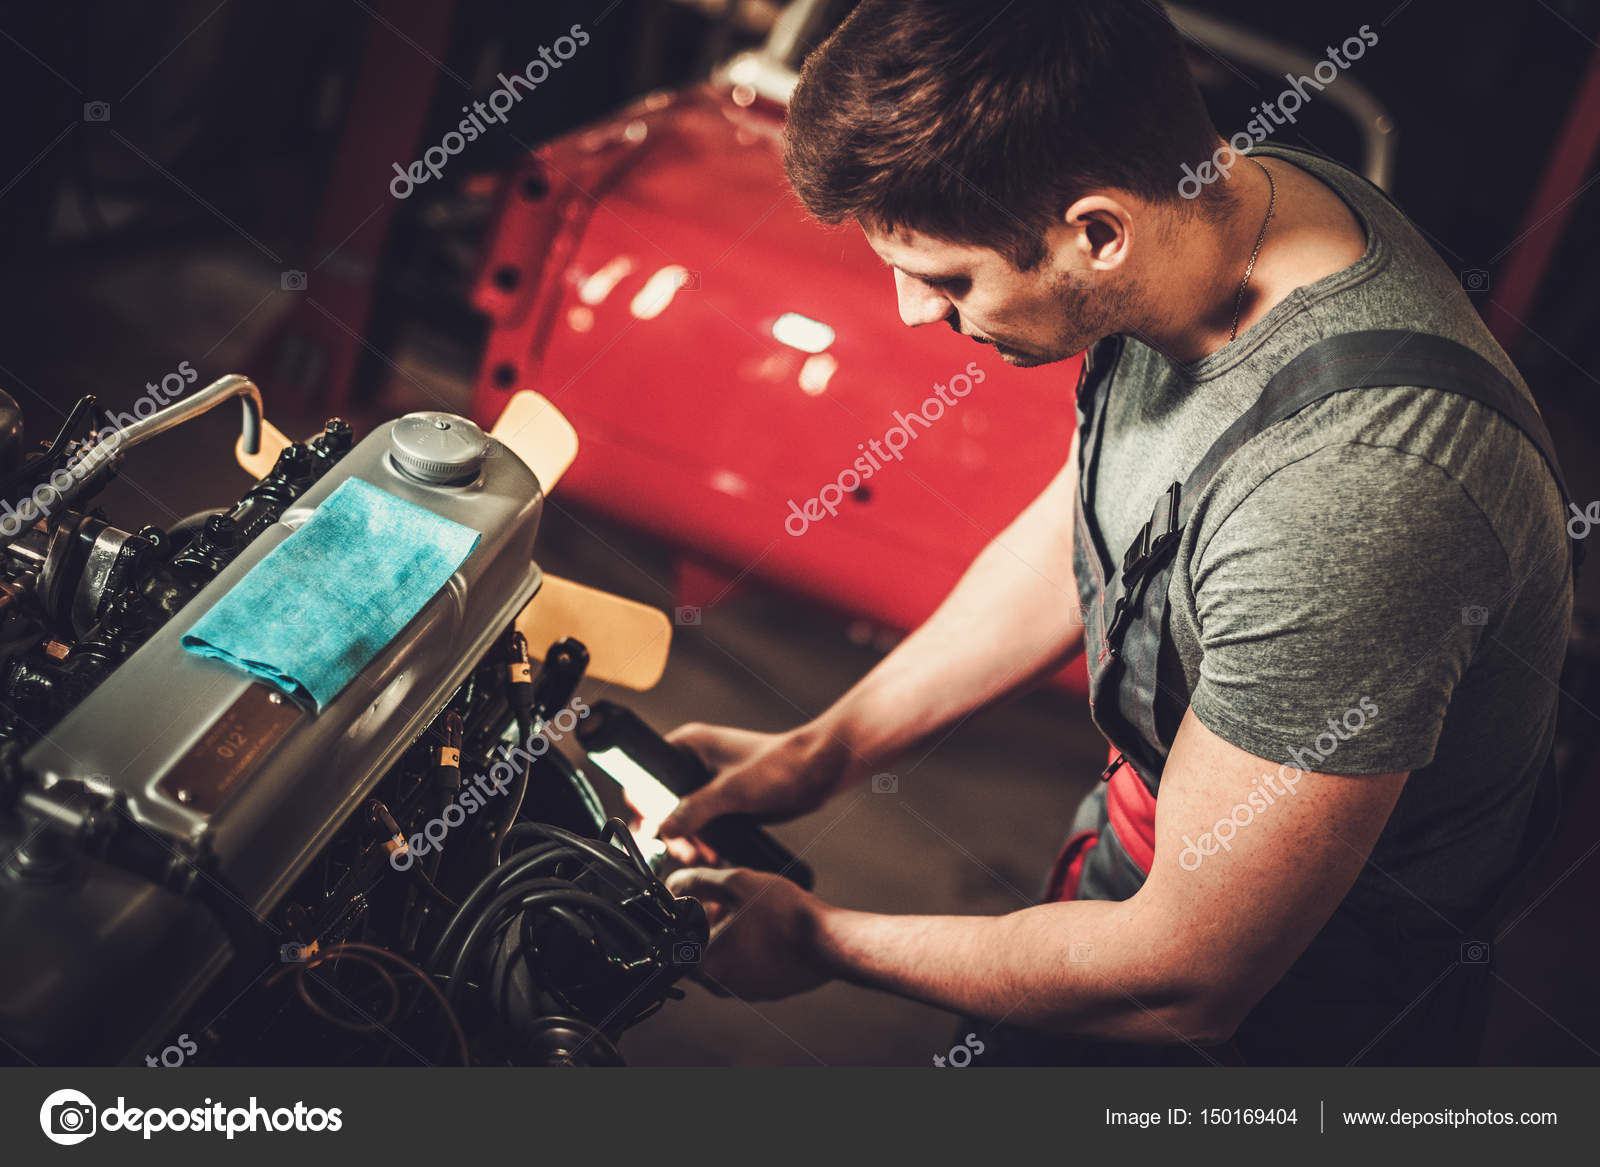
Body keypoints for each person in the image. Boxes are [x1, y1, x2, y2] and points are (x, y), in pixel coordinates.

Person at [659, 0, 1574, 1065]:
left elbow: (1185, 980)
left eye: (945, 276)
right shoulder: (1217, 205)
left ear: (1096, 232)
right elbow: (1098, 523)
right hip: (1142, 861)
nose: (914, 312)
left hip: (1285, 1013)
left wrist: (819, 941)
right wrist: (823, 754)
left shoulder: (1358, 492)